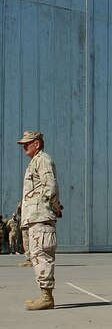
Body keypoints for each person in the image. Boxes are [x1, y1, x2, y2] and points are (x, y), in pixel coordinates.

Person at [17, 131, 63, 310]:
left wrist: (54, 207)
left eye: (27, 143)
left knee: (42, 255)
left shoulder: (42, 159)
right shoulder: (35, 161)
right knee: (37, 256)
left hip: (40, 216)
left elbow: (50, 186)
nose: (24, 147)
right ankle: (44, 295)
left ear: (37, 144)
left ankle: (47, 297)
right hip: (35, 217)